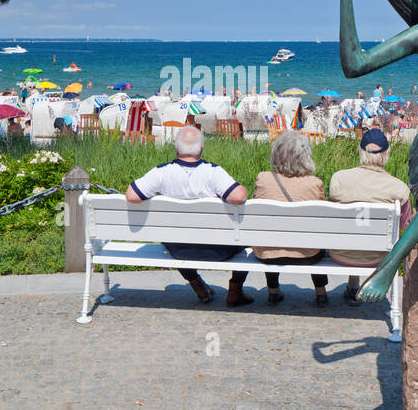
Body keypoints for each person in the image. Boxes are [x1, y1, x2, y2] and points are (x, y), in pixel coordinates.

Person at [126, 125, 252, 306]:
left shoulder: (161, 173)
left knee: (173, 234)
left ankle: (196, 283)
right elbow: (239, 196)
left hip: (179, 250)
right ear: (202, 148)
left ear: (176, 149)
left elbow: (131, 195)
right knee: (247, 236)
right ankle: (235, 290)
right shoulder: (213, 172)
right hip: (217, 250)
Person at [326, 129, 412, 305]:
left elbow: (332, 218)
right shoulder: (399, 188)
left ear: (360, 151)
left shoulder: (339, 179)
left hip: (341, 252)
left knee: (354, 231)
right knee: (364, 233)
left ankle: (353, 287)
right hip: (379, 256)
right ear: (387, 153)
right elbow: (404, 225)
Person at [250, 131, 331, 307]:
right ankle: (321, 293)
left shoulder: (263, 179)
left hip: (268, 254)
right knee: (314, 238)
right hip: (307, 254)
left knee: (270, 235)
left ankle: (273, 291)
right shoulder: (314, 183)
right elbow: (321, 221)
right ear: (305, 155)